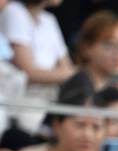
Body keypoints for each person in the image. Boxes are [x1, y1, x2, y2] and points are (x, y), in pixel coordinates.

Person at [1, 0, 76, 135]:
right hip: (20, 110)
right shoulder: (14, 11)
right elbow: (29, 72)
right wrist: (75, 73)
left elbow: (67, 68)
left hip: (48, 105)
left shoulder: (49, 19)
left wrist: (67, 74)